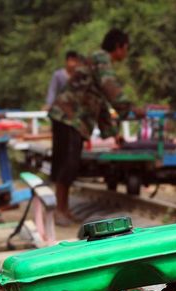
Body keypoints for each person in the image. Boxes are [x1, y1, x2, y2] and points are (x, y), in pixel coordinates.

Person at [49, 28, 146, 225]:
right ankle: (60, 210)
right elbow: (109, 86)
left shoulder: (96, 62)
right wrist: (130, 108)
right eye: (125, 48)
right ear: (119, 47)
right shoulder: (101, 59)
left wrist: (113, 134)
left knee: (70, 164)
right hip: (68, 116)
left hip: (72, 118)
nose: (125, 53)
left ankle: (64, 209)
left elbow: (100, 103)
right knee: (67, 164)